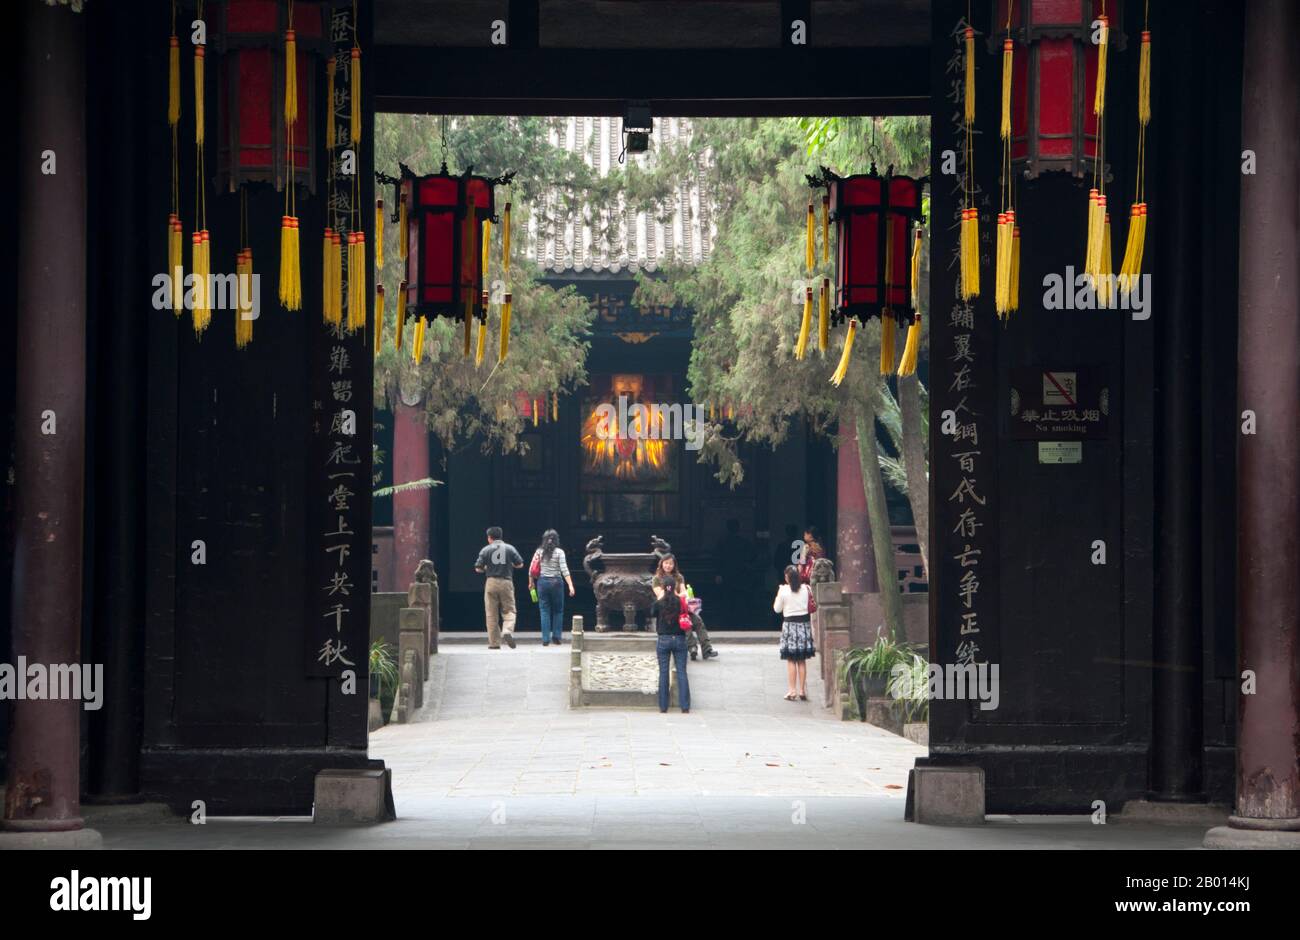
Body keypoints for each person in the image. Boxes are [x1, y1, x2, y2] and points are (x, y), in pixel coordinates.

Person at [654, 553, 717, 660]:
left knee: (698, 621)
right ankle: (692, 648)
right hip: (668, 608)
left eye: (670, 564)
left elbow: (684, 593)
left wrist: (679, 595)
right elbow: (659, 595)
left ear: (674, 565)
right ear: (662, 564)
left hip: (681, 605)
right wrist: (675, 594)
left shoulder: (679, 577)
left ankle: (707, 649)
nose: (668, 566)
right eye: (666, 563)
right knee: (685, 623)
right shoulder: (657, 578)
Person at [474, 526, 524, 649]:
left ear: (489, 537)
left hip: (491, 582)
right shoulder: (510, 548)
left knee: (491, 613)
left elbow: (478, 568)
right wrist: (510, 565)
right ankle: (507, 630)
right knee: (509, 610)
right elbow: (520, 564)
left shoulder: (485, 550)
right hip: (506, 581)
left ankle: (494, 643)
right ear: (501, 536)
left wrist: (487, 568)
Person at [773, 564, 816, 701]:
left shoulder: (784, 590)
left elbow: (777, 609)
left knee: (791, 660)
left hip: (790, 626)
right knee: (801, 660)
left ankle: (792, 691)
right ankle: (802, 690)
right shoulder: (807, 588)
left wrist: (779, 593)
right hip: (804, 625)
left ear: (787, 577)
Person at [650, 573, 691, 714]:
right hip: (679, 639)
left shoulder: (659, 603)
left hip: (663, 639)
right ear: (674, 587)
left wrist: (660, 597)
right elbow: (688, 613)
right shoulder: (681, 602)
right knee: (682, 672)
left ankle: (663, 706)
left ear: (663, 587)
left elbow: (651, 612)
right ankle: (685, 706)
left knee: (663, 673)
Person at [529, 529, 575, 647]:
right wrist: (570, 585)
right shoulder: (560, 552)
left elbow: (531, 569)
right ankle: (557, 637)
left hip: (542, 582)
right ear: (556, 540)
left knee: (544, 611)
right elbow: (564, 569)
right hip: (556, 583)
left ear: (544, 539)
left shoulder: (539, 552)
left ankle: (545, 639)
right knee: (558, 611)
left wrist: (531, 583)